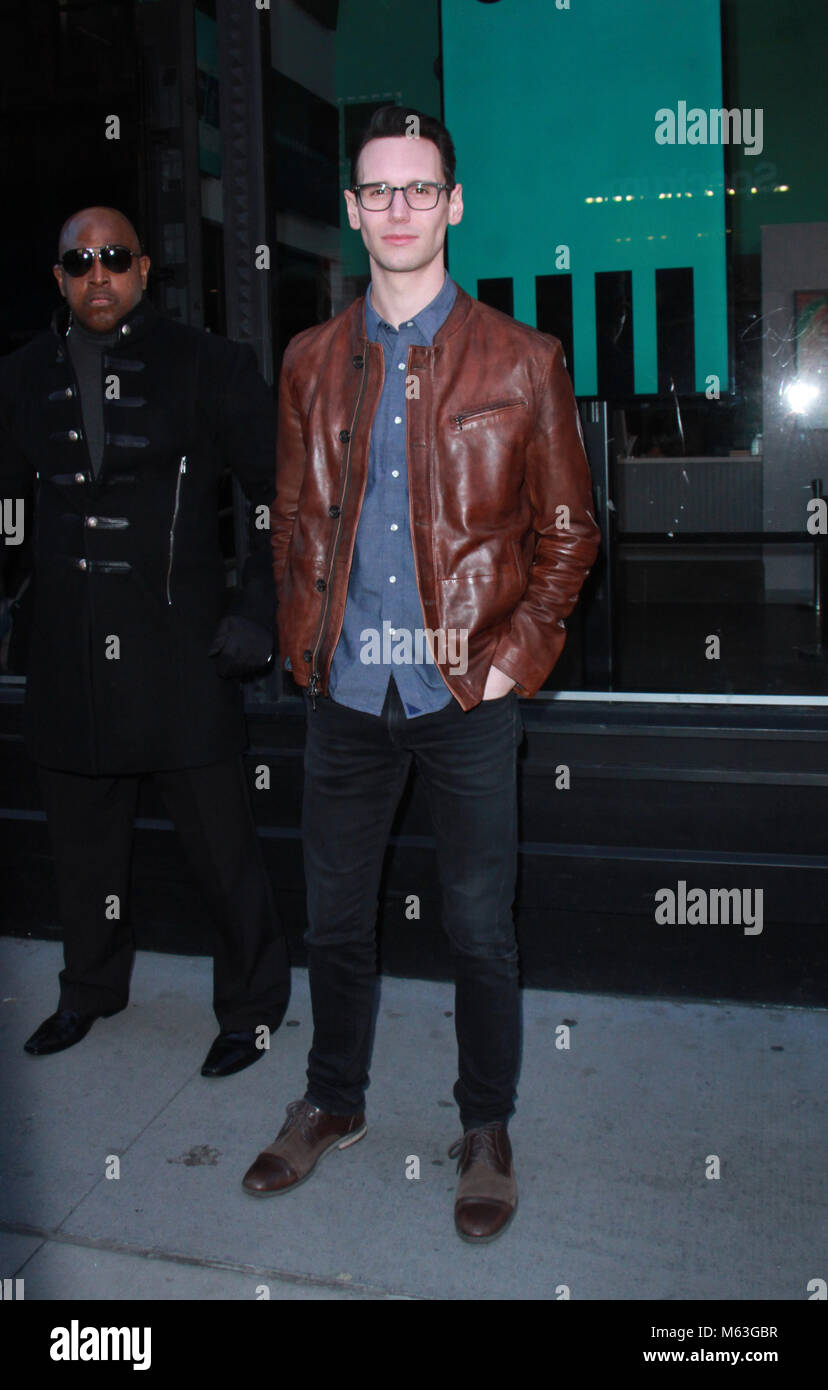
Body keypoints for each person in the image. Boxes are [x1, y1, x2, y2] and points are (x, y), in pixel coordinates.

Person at [241, 106, 600, 1241]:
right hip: (344, 694)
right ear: (351, 211)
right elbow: (293, 515)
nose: (398, 208)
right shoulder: (308, 359)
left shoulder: (524, 359)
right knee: (336, 921)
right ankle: (334, 1100)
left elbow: (570, 532)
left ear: (454, 204)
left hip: (463, 694)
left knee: (479, 928)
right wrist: (306, 635)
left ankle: (484, 1125)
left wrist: (513, 660)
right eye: (377, 191)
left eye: (418, 189)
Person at [0, 206, 290, 1076]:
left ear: (144, 268)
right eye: (80, 260)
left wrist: (257, 611)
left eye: (115, 258)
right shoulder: (19, 377)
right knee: (83, 850)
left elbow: (283, 498)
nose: (99, 273)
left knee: (221, 851)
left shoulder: (208, 366)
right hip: (66, 657)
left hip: (182, 657)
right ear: (58, 277)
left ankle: (251, 1008)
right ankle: (89, 989)